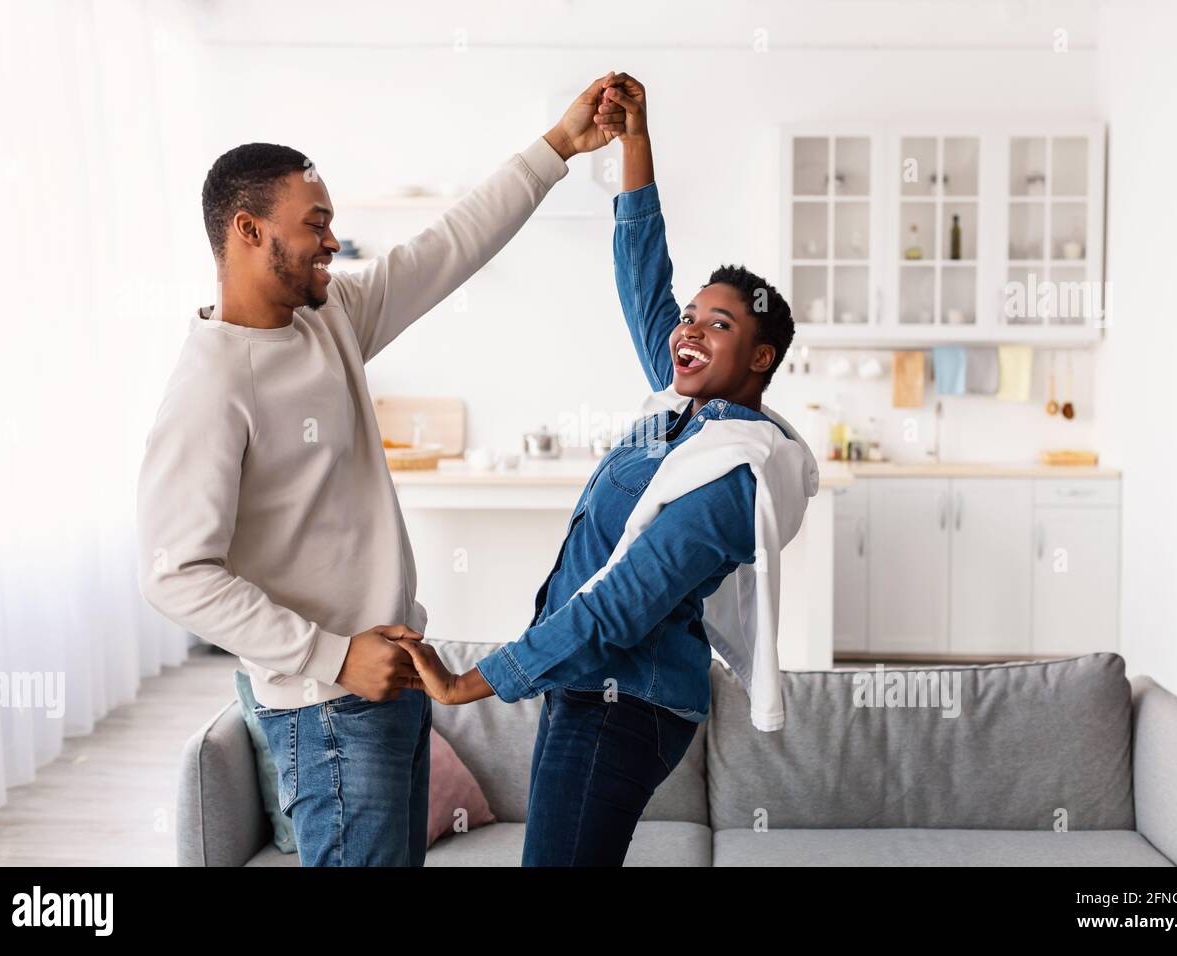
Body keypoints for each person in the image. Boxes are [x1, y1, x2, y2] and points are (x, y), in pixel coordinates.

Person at [135, 73, 628, 866]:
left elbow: (447, 247)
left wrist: (561, 145)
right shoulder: (211, 384)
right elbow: (174, 574)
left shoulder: (328, 318)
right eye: (315, 223)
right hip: (327, 711)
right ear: (248, 230)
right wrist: (332, 656)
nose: (333, 241)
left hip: (391, 687)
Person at [400, 73, 812, 866]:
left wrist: (468, 682)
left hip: (624, 705)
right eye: (689, 317)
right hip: (590, 687)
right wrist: (634, 140)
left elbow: (620, 607)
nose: (688, 330)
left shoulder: (735, 471)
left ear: (760, 358)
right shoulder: (679, 411)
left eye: (718, 324)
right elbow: (642, 273)